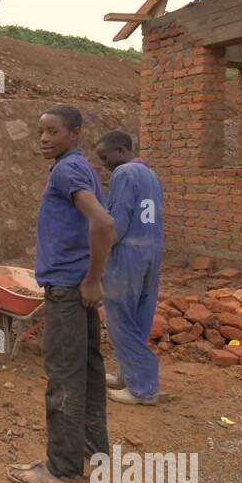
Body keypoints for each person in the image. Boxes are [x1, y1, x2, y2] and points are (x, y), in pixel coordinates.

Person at [7, 105, 116, 483]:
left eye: (53, 131)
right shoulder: (80, 167)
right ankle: (92, 455)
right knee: (87, 373)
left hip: (68, 291)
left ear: (75, 134)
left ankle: (62, 468)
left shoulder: (67, 171)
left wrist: (92, 281)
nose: (44, 139)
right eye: (41, 132)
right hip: (77, 288)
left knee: (63, 378)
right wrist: (91, 281)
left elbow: (103, 223)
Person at [96, 131, 164, 406]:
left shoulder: (123, 173)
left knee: (120, 318)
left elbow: (116, 223)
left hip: (128, 254)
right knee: (139, 318)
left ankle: (144, 389)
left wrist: (98, 255)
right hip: (152, 250)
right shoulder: (150, 175)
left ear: (121, 150)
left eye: (105, 156)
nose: (103, 163)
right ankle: (129, 375)